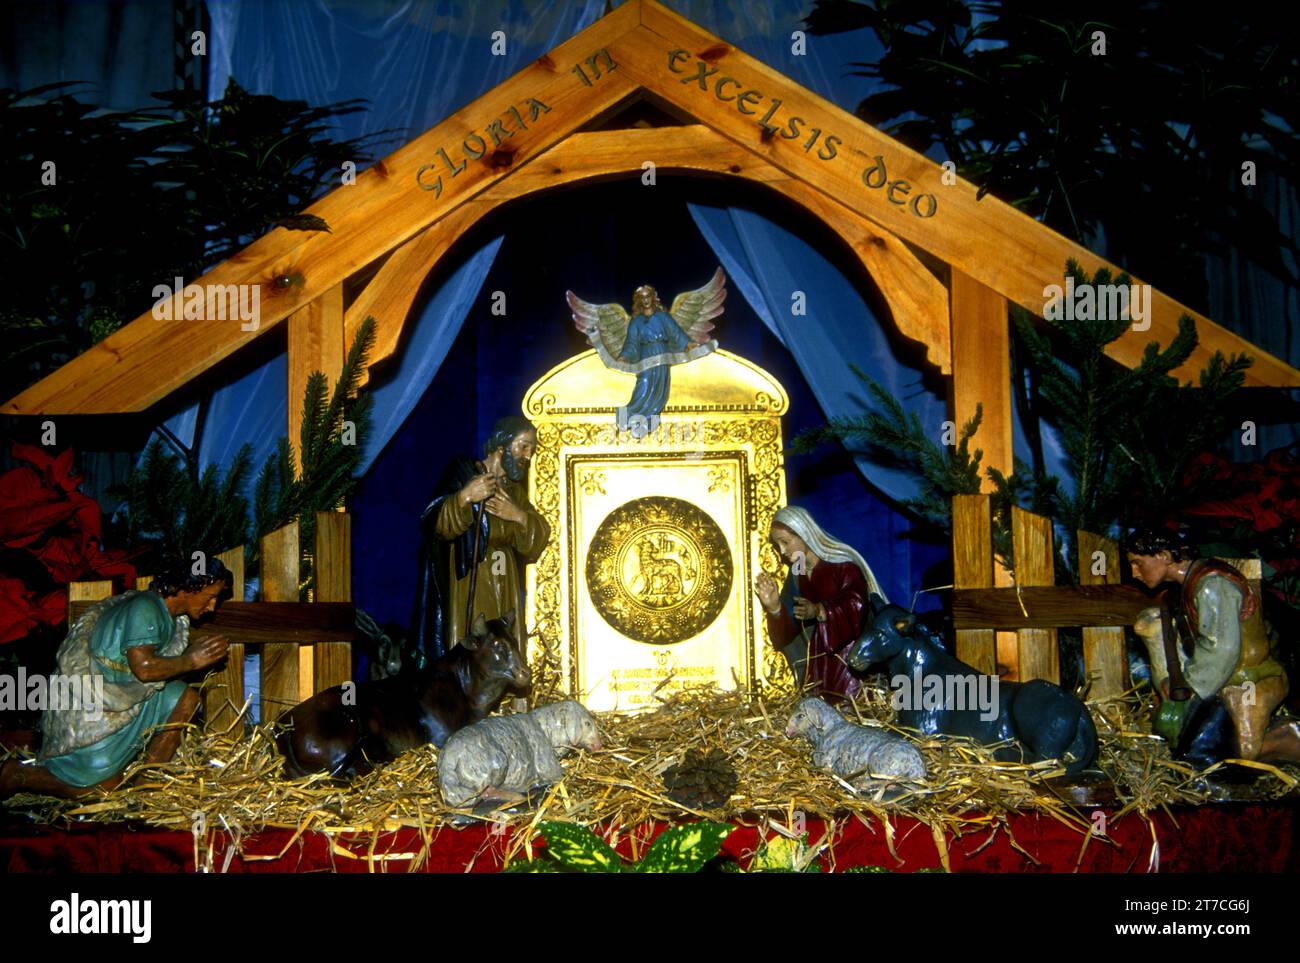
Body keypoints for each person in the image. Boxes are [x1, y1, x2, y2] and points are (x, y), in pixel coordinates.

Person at [0, 559, 232, 799]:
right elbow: (144, 669)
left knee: (184, 697)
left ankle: (147, 785)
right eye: (209, 597)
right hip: (96, 704)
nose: (212, 607)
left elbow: (156, 676)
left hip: (129, 696)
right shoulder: (146, 607)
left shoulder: (173, 619)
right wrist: (193, 660)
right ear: (188, 588)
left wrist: (190, 661)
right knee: (103, 790)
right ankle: (19, 776)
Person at [1127, 528, 1300, 766]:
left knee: (1246, 752)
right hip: (1222, 680)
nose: (1134, 573)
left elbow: (1222, 649)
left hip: (1250, 678)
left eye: (1138, 563)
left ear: (1165, 556)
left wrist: (1188, 683)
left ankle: (1290, 736)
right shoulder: (1188, 587)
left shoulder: (1211, 585)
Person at [411, 416, 550, 666]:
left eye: (532, 449)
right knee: (471, 639)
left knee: (504, 639)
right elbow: (434, 521)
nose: (528, 455)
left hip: (503, 575)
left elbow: (539, 534)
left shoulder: (514, 492)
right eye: (524, 446)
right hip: (469, 575)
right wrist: (464, 497)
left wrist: (517, 516)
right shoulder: (464, 472)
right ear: (502, 446)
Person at [752, 505, 887, 701]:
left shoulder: (843, 565)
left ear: (804, 534)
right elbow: (789, 628)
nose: (782, 551)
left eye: (785, 542)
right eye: (777, 545)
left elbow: (856, 605)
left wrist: (819, 610)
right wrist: (774, 607)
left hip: (849, 659)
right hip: (818, 663)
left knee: (848, 707)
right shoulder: (797, 571)